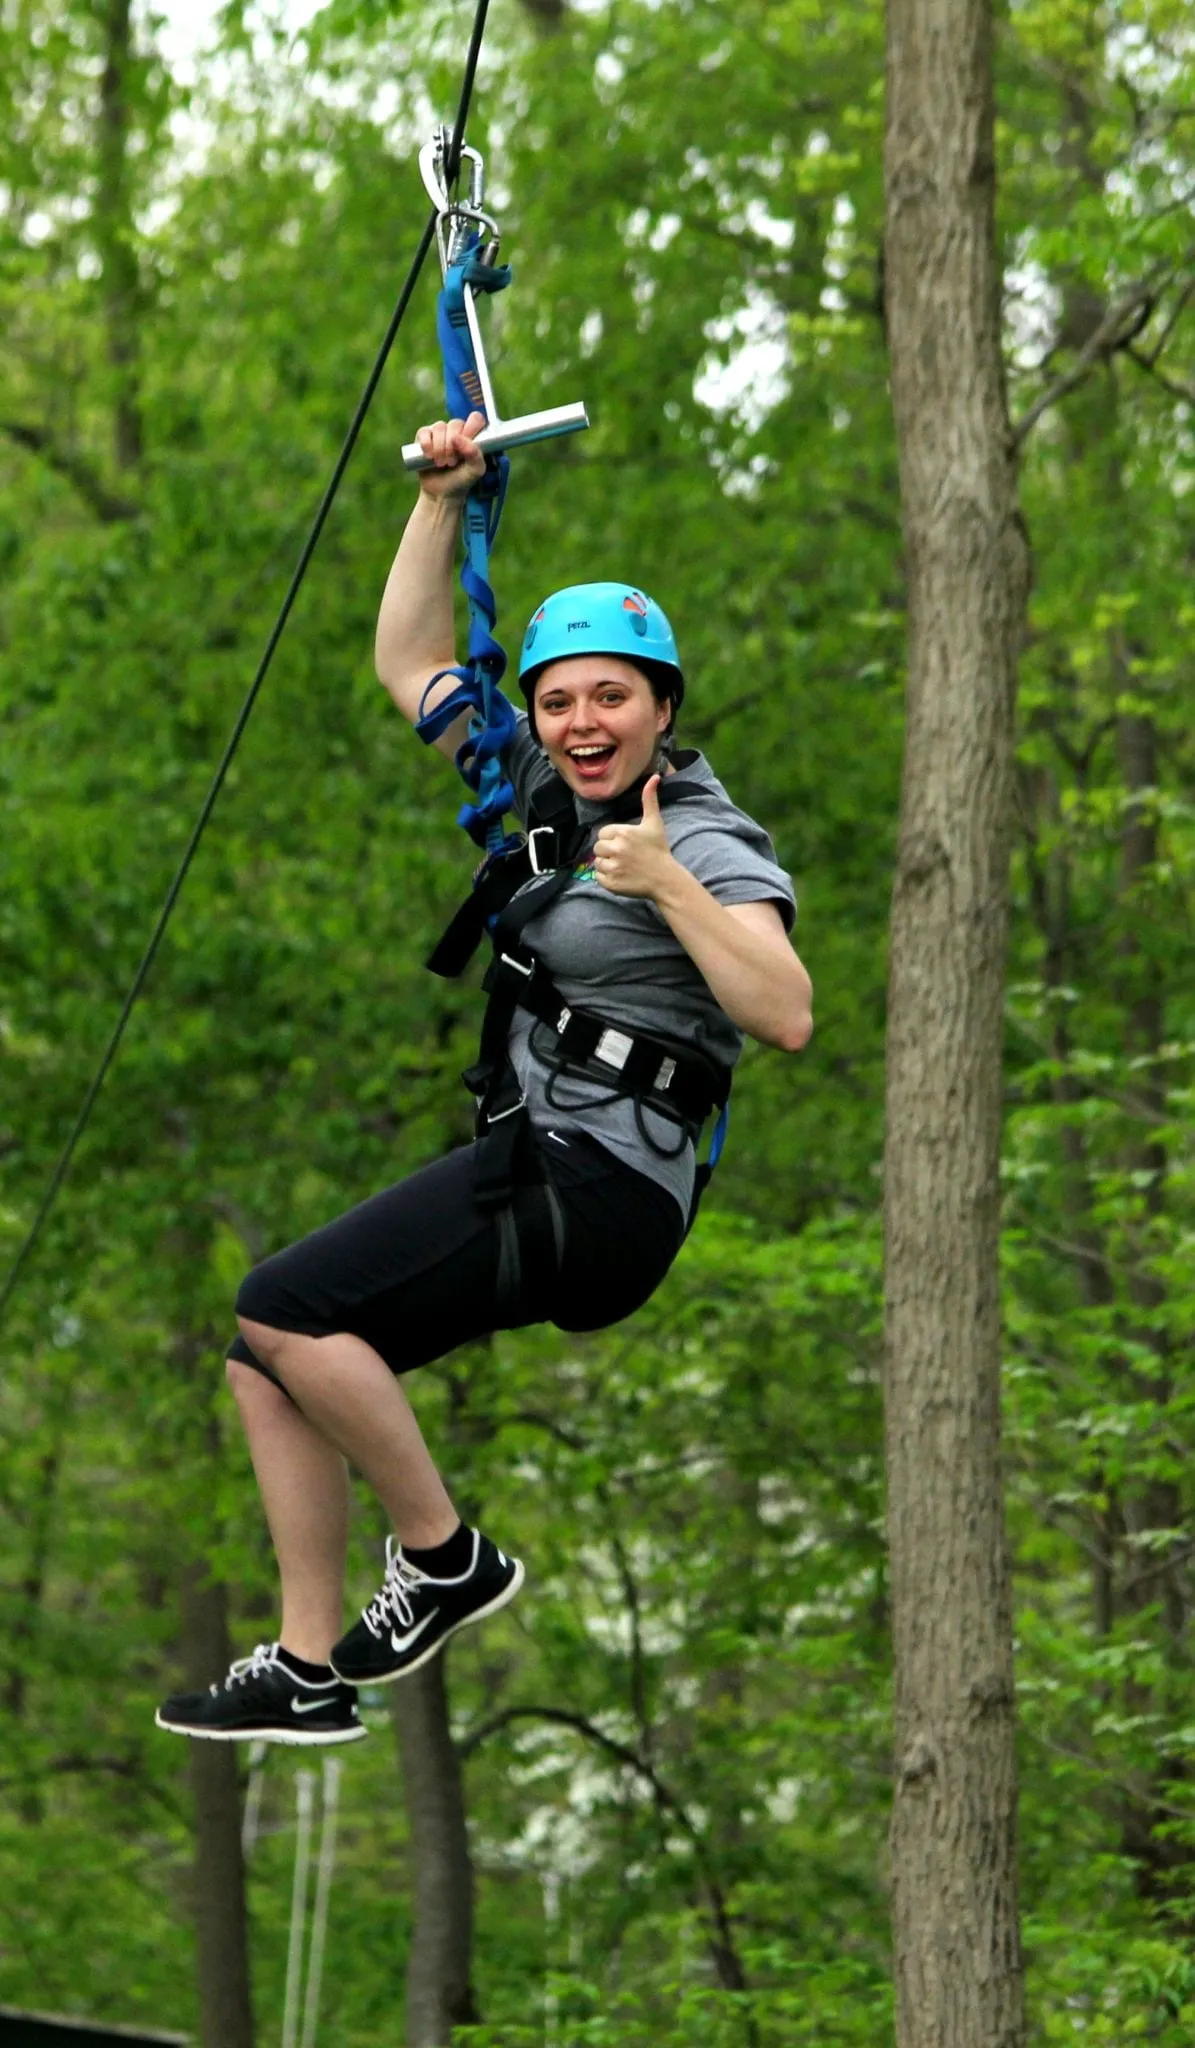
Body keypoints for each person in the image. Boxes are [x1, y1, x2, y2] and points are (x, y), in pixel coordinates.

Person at [156, 412, 813, 1748]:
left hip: (608, 1190)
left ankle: (445, 1557)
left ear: (662, 710)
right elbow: (406, 659)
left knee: (280, 1302)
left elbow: (784, 1011)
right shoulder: (531, 787)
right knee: (264, 1359)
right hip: (544, 1169)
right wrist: (441, 500)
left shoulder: (702, 831)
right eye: (559, 699)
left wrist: (672, 884)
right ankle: (305, 1660)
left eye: (610, 697)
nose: (581, 722)